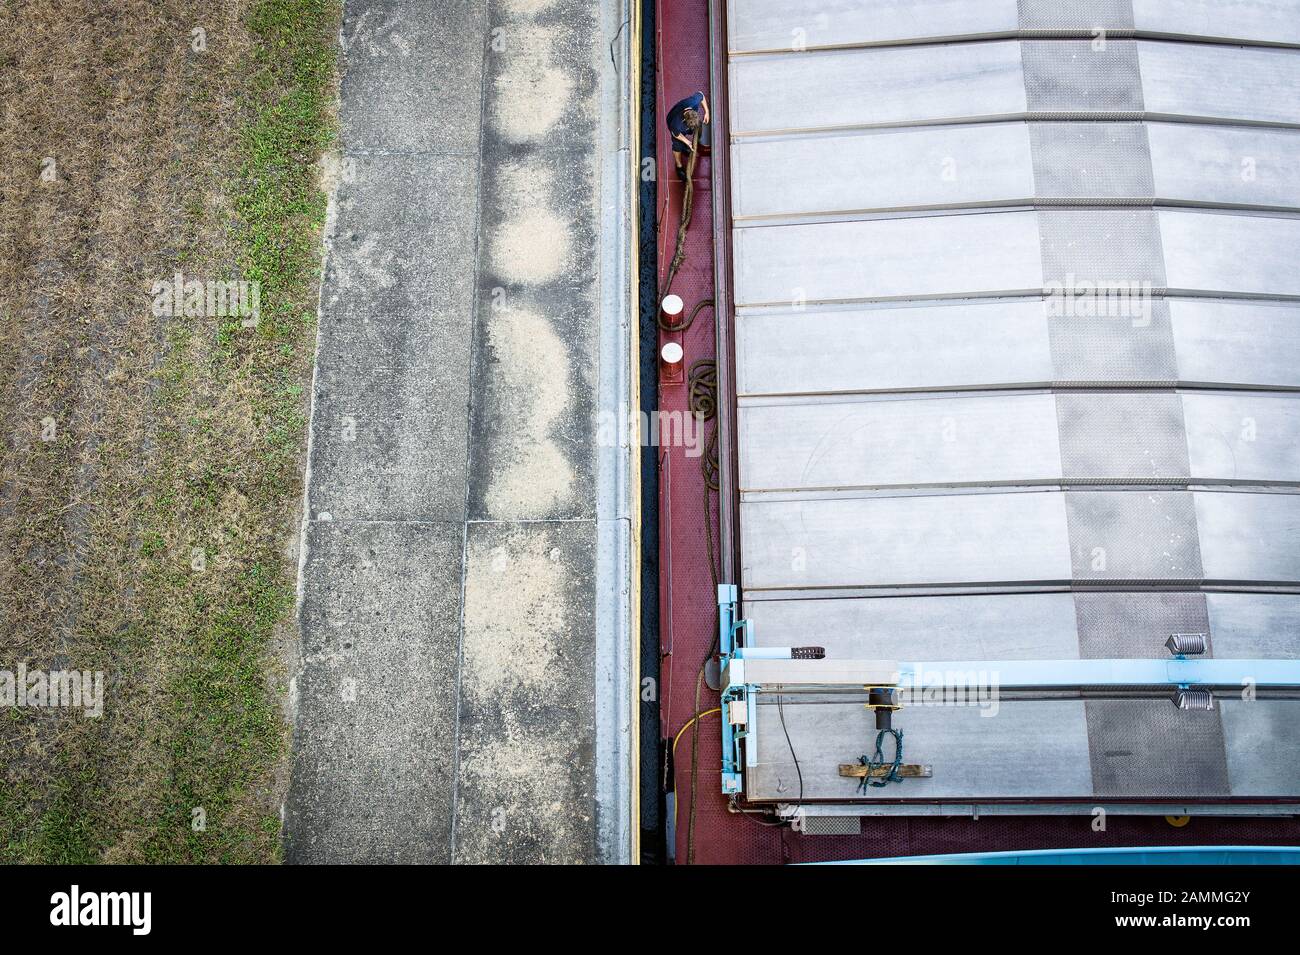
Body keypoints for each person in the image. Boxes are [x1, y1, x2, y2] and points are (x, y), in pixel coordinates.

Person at [666, 90, 710, 181]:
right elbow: (676, 134)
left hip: (685, 125)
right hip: (674, 128)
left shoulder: (692, 102)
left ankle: (684, 148)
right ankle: (679, 166)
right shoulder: (676, 124)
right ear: (684, 121)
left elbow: (701, 95)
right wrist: (688, 142)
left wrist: (707, 111)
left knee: (687, 138)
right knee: (677, 145)